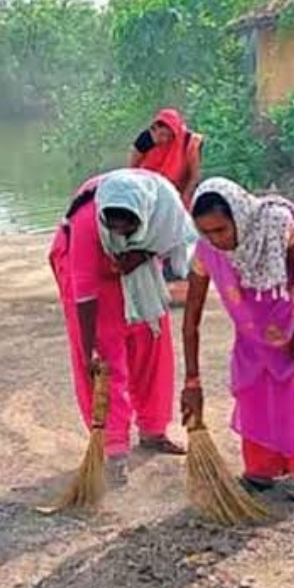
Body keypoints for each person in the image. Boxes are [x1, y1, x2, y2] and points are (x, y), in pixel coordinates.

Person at [181, 177, 294, 502]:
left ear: (239, 217)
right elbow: (191, 315)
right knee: (252, 384)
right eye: (206, 232)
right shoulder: (206, 250)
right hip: (254, 322)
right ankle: (262, 469)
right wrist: (192, 381)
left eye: (221, 230)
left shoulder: (277, 226)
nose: (215, 240)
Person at [48, 169, 197, 484]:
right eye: (111, 226)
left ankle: (153, 430)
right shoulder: (88, 222)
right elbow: (84, 289)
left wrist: (142, 254)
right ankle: (113, 446)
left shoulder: (163, 207)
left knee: (150, 345)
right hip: (90, 275)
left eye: (126, 227)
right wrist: (88, 348)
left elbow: (179, 245)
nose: (118, 232)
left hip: (142, 266)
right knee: (106, 358)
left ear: (143, 217)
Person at [130, 108, 205, 305]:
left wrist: (183, 198)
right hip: (150, 193)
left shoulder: (189, 142)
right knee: (149, 235)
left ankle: (176, 274)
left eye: (167, 135)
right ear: (153, 129)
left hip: (178, 192)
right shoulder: (145, 140)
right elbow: (132, 170)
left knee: (181, 235)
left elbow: (194, 174)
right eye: (159, 134)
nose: (163, 139)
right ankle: (151, 276)